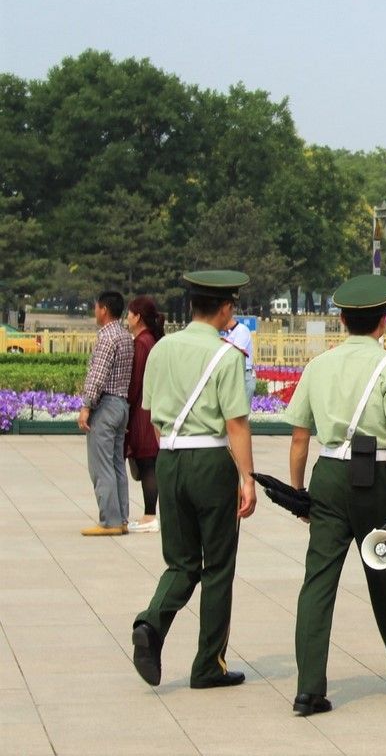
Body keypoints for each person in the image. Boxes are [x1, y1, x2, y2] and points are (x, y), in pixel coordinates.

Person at [285, 274, 386, 717]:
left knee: (318, 582)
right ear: (383, 321)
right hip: (378, 478)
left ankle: (309, 687)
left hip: (329, 475)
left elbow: (299, 437)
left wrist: (298, 492)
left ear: (342, 319)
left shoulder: (319, 365)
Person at [131, 270, 256, 690]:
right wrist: (247, 479)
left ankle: (151, 623)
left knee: (182, 562)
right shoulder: (227, 355)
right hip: (210, 461)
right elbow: (236, 424)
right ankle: (207, 665)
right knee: (218, 565)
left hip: (170, 458)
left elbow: (149, 408)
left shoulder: (162, 349)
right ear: (224, 308)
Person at [78, 290, 134, 536]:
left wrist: (86, 405)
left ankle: (109, 520)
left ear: (103, 309)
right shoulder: (125, 336)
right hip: (121, 405)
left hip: (105, 406)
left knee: (101, 466)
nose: (95, 311)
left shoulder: (106, 337)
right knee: (116, 464)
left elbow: (97, 376)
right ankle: (121, 518)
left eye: (96, 307)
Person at [125, 296, 165, 533]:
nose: (127, 318)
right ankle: (150, 514)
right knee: (149, 462)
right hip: (151, 407)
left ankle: (150, 515)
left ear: (138, 316)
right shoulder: (152, 340)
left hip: (142, 410)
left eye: (129, 314)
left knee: (147, 462)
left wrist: (126, 404)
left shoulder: (142, 343)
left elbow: (136, 381)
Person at [223, 315, 256, 402]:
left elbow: (236, 353)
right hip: (235, 374)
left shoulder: (241, 330)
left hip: (243, 375)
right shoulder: (228, 333)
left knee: (242, 412)